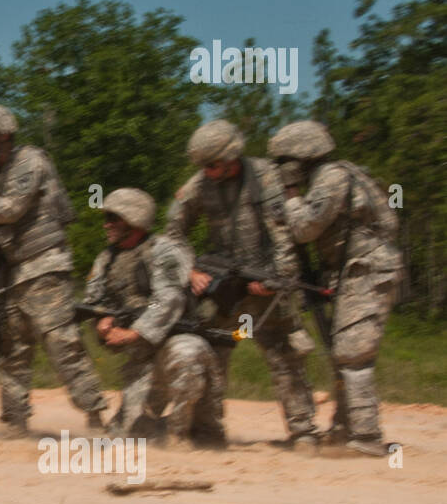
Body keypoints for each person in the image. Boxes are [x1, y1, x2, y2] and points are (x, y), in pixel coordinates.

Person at [166, 119, 320, 450]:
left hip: (264, 282)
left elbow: (284, 237)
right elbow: (174, 231)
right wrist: (189, 270)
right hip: (222, 285)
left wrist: (278, 279)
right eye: (203, 165)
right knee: (211, 353)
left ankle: (304, 431)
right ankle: (208, 431)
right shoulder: (198, 185)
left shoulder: (266, 179)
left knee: (285, 354)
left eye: (212, 164)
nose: (206, 171)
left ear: (232, 156)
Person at [0, 104, 108, 436]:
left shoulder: (29, 161)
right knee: (12, 351)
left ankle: (96, 417)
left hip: (44, 267)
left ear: (5, 136)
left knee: (62, 344)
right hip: (13, 273)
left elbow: (10, 210)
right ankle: (15, 423)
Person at [268, 120, 402, 457]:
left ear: (301, 157)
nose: (281, 169)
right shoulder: (338, 173)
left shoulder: (332, 177)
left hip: (366, 269)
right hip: (353, 271)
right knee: (342, 349)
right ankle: (346, 427)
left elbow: (305, 229)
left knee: (351, 351)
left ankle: (367, 436)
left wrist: (291, 198)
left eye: (284, 161)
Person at [82, 189, 225, 446]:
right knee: (129, 435)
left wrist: (134, 332)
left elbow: (167, 298)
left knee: (187, 353)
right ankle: (168, 426)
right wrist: (101, 321)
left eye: (114, 218)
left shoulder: (165, 251)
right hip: (143, 362)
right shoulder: (106, 259)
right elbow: (95, 301)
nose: (107, 225)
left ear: (134, 219)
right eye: (107, 218)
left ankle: (180, 435)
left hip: (174, 342)